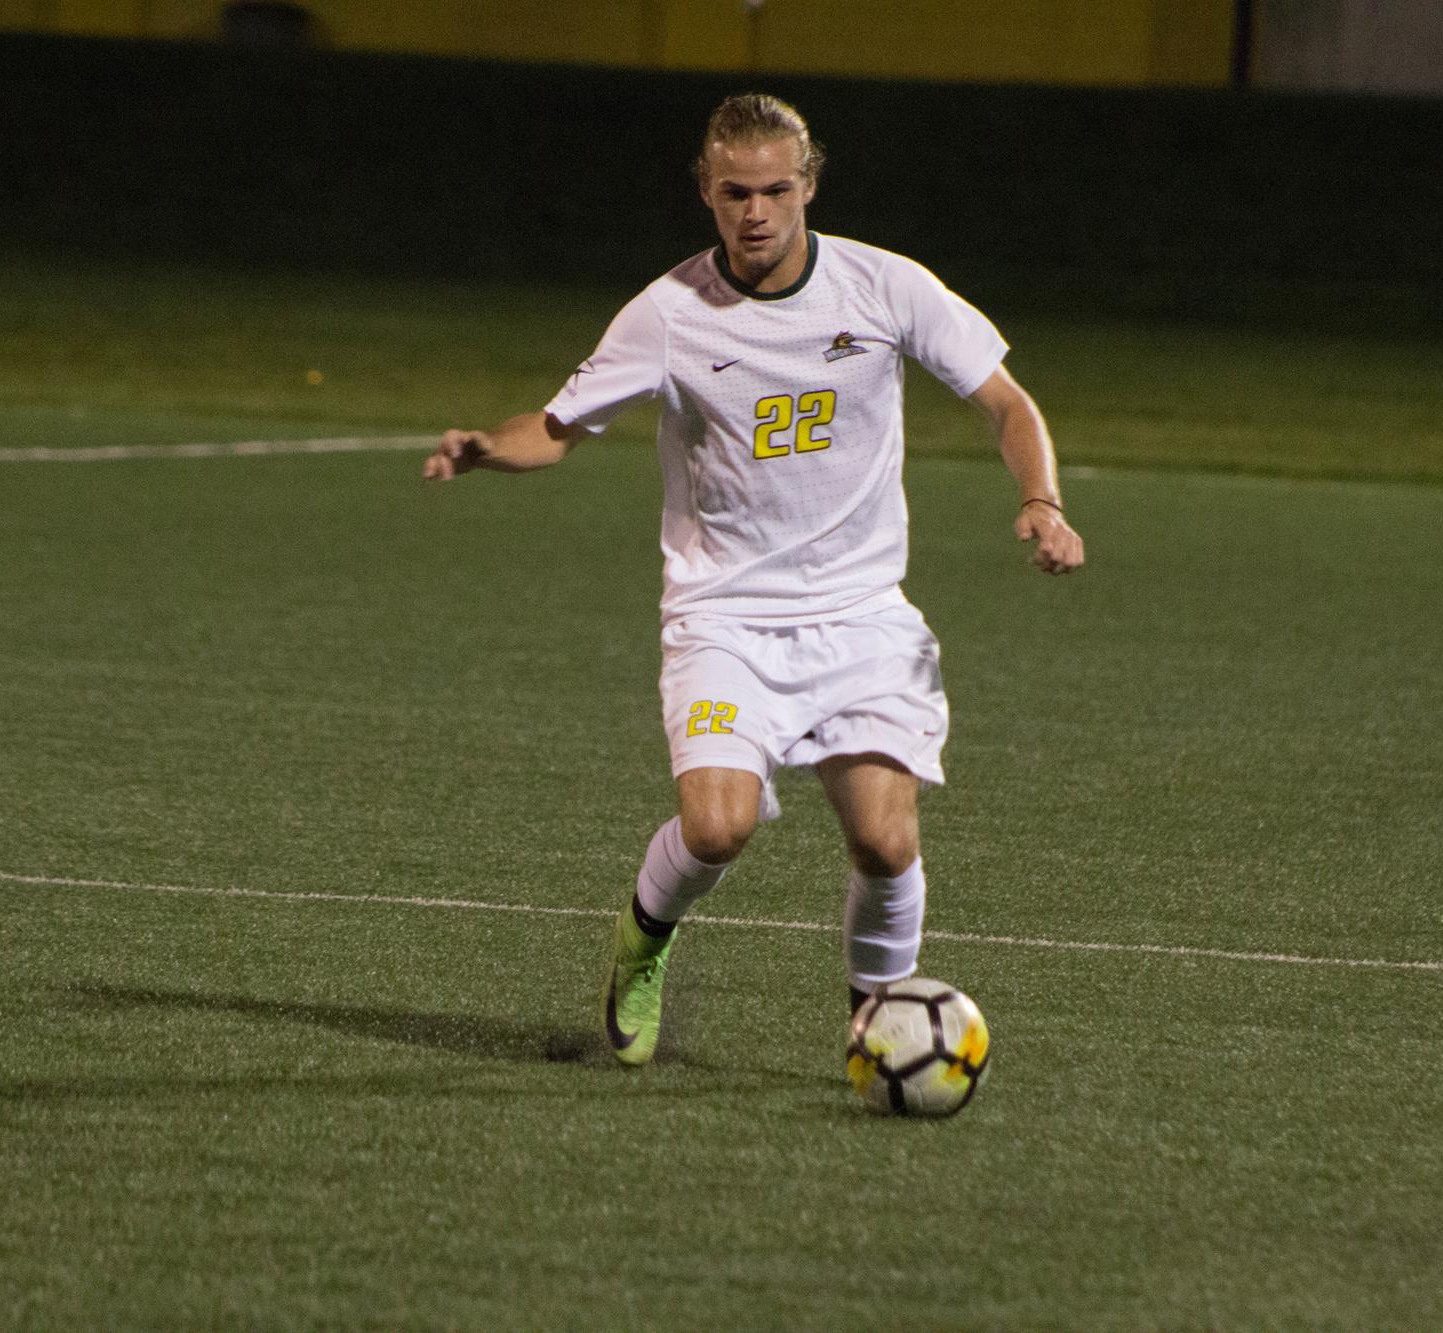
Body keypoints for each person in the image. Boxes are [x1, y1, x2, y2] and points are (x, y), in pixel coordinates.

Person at [423, 94, 1084, 1069]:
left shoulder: (883, 287)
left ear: (808, 184)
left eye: (776, 189)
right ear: (705, 190)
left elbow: (1003, 400)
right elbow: (556, 428)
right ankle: (642, 940)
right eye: (734, 192)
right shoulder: (669, 314)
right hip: (723, 614)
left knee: (884, 842)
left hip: (859, 617)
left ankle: (875, 1021)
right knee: (717, 826)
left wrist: (1042, 499)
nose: (756, 212)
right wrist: (486, 447)